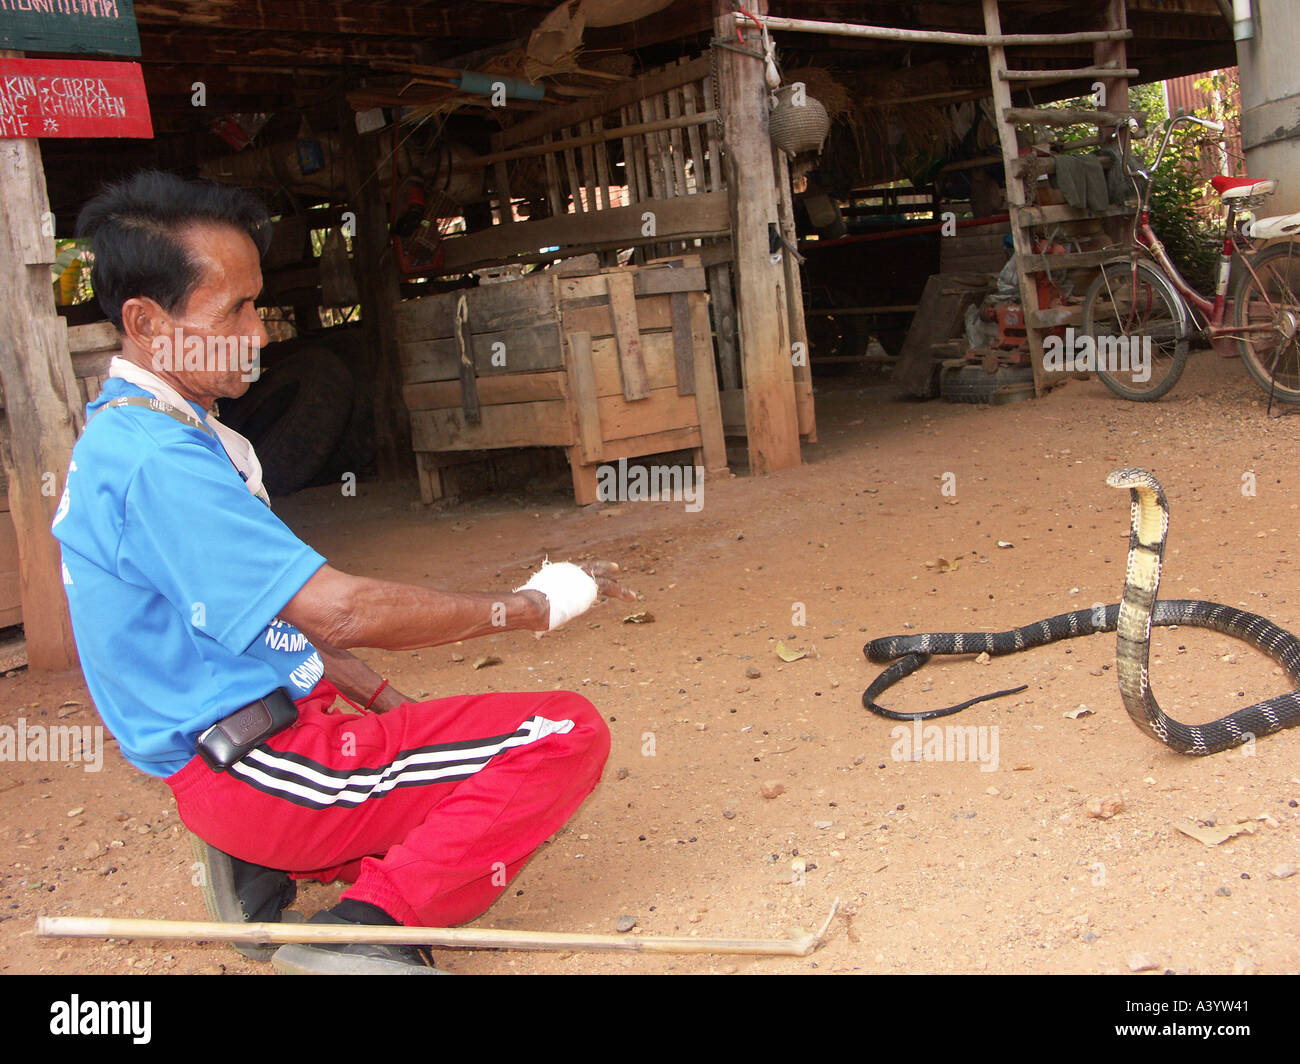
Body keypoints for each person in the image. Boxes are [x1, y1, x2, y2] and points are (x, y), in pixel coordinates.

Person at [53, 170, 635, 975]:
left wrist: (389, 704)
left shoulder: (139, 434)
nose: (259, 335)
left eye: (258, 307)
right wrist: (536, 604)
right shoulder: (158, 461)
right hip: (263, 771)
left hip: (242, 752)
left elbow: (270, 620)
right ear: (148, 322)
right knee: (563, 732)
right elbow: (341, 612)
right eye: (237, 310)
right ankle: (367, 930)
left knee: (451, 777)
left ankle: (263, 861)